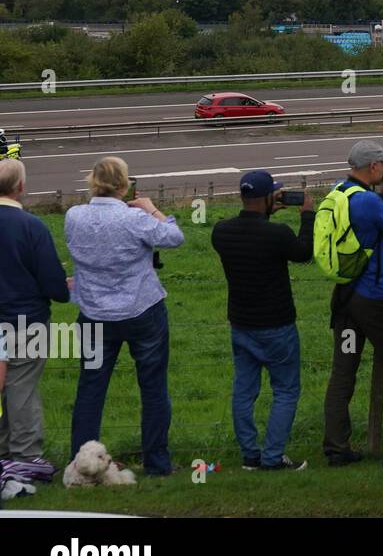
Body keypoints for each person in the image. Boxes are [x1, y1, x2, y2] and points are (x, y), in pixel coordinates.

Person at [65, 156, 184, 476]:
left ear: (93, 181)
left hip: (93, 312)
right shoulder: (134, 219)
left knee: (90, 388)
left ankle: (80, 463)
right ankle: (157, 462)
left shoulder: (74, 216)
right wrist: (152, 209)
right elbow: (174, 237)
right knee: (153, 386)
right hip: (140, 308)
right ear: (124, 184)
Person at [211, 170, 316, 472]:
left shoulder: (221, 232)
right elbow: (302, 253)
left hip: (241, 324)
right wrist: (306, 215)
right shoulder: (278, 234)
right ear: (268, 198)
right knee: (285, 390)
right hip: (277, 324)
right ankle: (272, 457)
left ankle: (250, 455)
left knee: (244, 391)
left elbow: (249, 233)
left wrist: (265, 210)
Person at [322, 140, 383, 467]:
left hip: (344, 298)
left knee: (344, 370)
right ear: (374, 168)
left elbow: (367, 219)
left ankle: (336, 447)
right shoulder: (371, 202)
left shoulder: (340, 192)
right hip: (372, 301)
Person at [0, 159, 69, 466]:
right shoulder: (32, 227)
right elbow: (53, 283)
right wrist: (62, 289)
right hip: (25, 321)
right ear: (22, 187)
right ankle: (25, 459)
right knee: (22, 390)